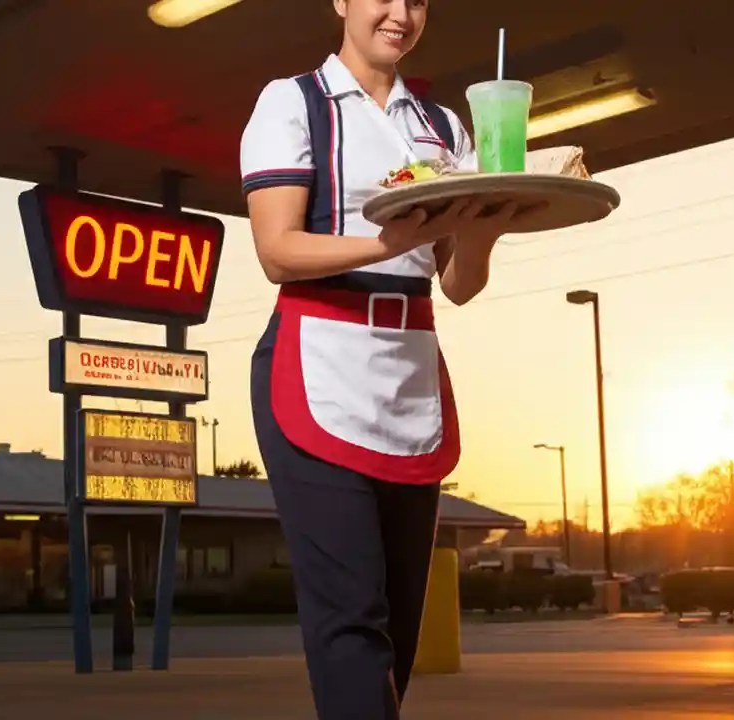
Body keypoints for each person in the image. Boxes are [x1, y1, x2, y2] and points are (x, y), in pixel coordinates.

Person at [239, 1, 531, 717]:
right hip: (317, 364)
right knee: (351, 622)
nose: (400, 13)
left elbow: (458, 283)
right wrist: (390, 243)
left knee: (397, 635)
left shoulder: (444, 127)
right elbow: (277, 251)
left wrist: (483, 229)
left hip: (409, 373)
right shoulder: (293, 102)